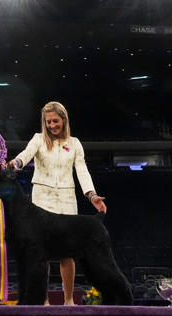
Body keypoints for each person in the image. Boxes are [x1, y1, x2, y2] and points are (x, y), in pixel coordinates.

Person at [8, 101, 106, 305]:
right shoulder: (38, 139)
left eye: (55, 121)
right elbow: (25, 155)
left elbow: (82, 171)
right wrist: (15, 163)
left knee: (67, 254)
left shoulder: (75, 143)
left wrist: (92, 195)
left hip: (66, 200)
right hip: (41, 199)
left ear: (64, 120)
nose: (52, 125)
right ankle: (43, 300)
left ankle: (68, 300)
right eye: (48, 122)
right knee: (39, 253)